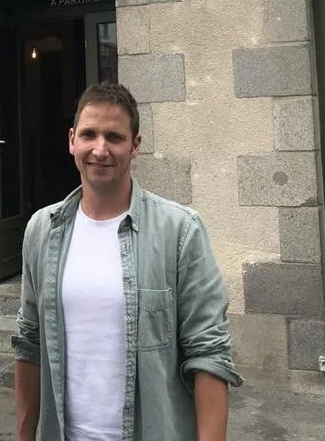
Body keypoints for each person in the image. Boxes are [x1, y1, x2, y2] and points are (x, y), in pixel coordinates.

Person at [13, 82, 241, 441]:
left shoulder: (179, 230)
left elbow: (208, 353)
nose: (100, 149)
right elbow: (30, 342)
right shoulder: (43, 229)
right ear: (72, 140)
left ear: (135, 146)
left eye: (114, 137)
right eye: (89, 134)